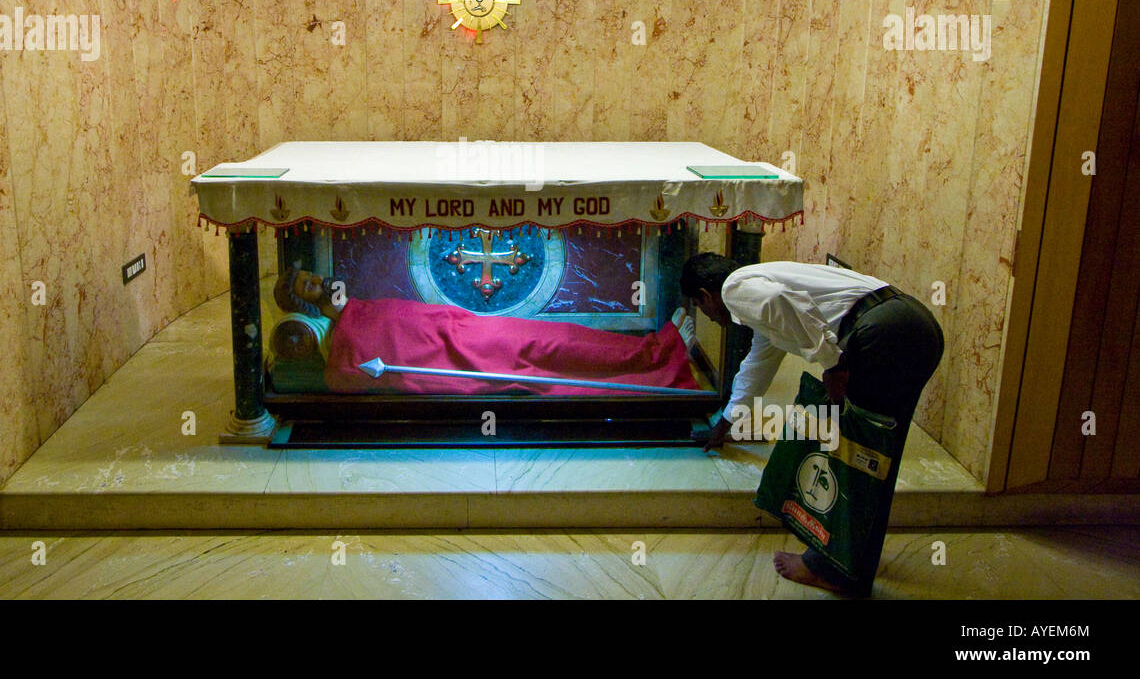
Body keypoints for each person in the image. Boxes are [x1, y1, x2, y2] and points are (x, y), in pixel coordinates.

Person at [680, 252, 944, 595]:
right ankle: (856, 560)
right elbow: (757, 367)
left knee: (846, 453)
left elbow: (780, 302)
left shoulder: (736, 288)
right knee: (875, 460)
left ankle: (828, 569)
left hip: (879, 334)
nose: (710, 318)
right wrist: (727, 423)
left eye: (702, 309)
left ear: (705, 294)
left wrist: (832, 364)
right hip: (916, 325)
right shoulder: (763, 284)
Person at [269, 267, 707, 396]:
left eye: (312, 275)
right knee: (551, 351)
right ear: (304, 308)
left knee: (560, 339)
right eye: (309, 284)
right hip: (464, 352)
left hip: (464, 329)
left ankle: (653, 350)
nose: (320, 280)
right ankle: (657, 360)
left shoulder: (350, 308)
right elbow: (346, 378)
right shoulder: (340, 345)